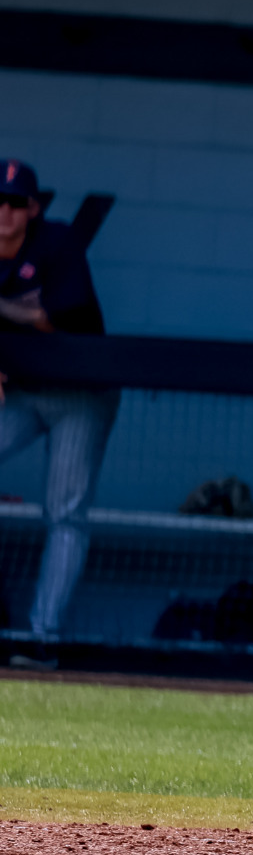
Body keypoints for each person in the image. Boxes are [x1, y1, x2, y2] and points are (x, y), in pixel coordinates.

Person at [0, 160, 118, 665]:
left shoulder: (57, 242)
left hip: (78, 393)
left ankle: (43, 637)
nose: (3, 213)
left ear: (32, 208)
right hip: (21, 391)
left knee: (65, 512)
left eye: (13, 203)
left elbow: (55, 320)